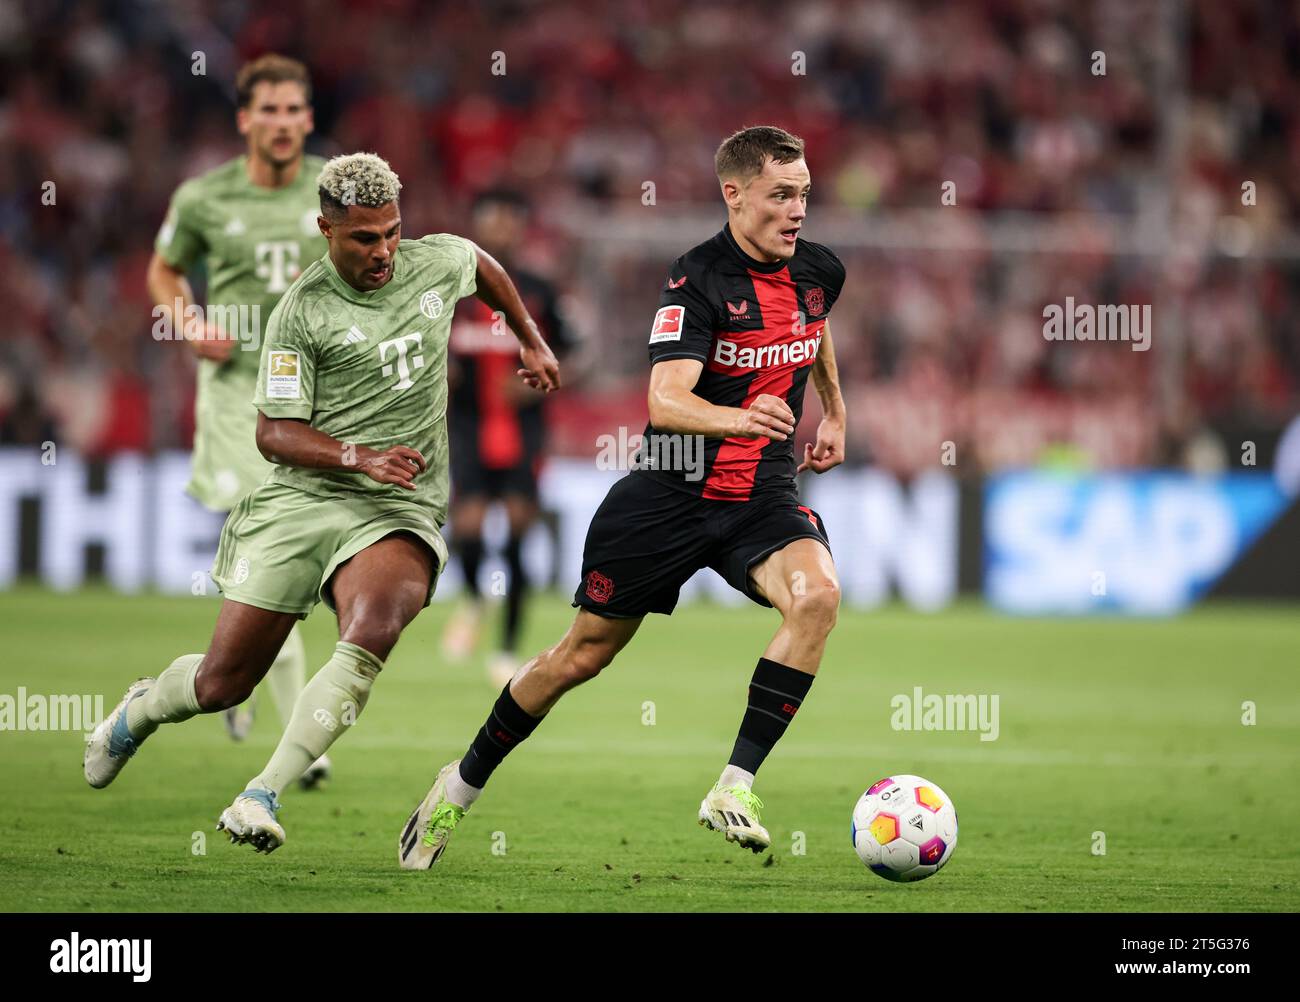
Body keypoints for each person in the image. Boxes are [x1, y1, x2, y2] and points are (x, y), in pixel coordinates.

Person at [85, 152, 560, 856]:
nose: (384, 252)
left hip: (397, 508)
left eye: (392, 232)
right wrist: (358, 455)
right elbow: (272, 432)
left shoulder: (436, 261)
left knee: (375, 626)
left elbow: (484, 266)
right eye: (365, 238)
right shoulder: (301, 312)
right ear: (326, 230)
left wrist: (531, 340)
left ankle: (261, 793)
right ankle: (138, 713)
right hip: (306, 500)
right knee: (221, 684)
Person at [398, 125, 847, 870]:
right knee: (578, 658)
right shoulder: (695, 279)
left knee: (818, 599)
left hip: (761, 489)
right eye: (780, 195)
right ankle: (459, 784)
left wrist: (832, 408)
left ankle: (734, 786)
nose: (797, 209)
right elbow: (666, 399)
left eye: (803, 193)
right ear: (734, 195)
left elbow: (815, 327)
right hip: (668, 490)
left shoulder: (819, 270)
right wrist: (742, 415)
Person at [147, 54, 329, 784]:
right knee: (273, 543)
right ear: (244, 120)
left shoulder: (333, 189)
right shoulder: (203, 198)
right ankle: (298, 739)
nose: (282, 123)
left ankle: (233, 676)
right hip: (234, 397)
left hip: (311, 393)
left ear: (308, 118)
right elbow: (162, 270)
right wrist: (188, 321)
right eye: (269, 110)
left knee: (286, 558)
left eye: (294, 109)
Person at [441, 188, 577, 688]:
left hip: (524, 432)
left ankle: (507, 647)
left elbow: (575, 353)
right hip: (469, 429)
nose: (499, 230)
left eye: (508, 220)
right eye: (490, 220)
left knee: (519, 535)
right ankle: (476, 596)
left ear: (521, 228)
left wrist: (539, 386)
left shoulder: (541, 290)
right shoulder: (451, 293)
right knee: (470, 531)